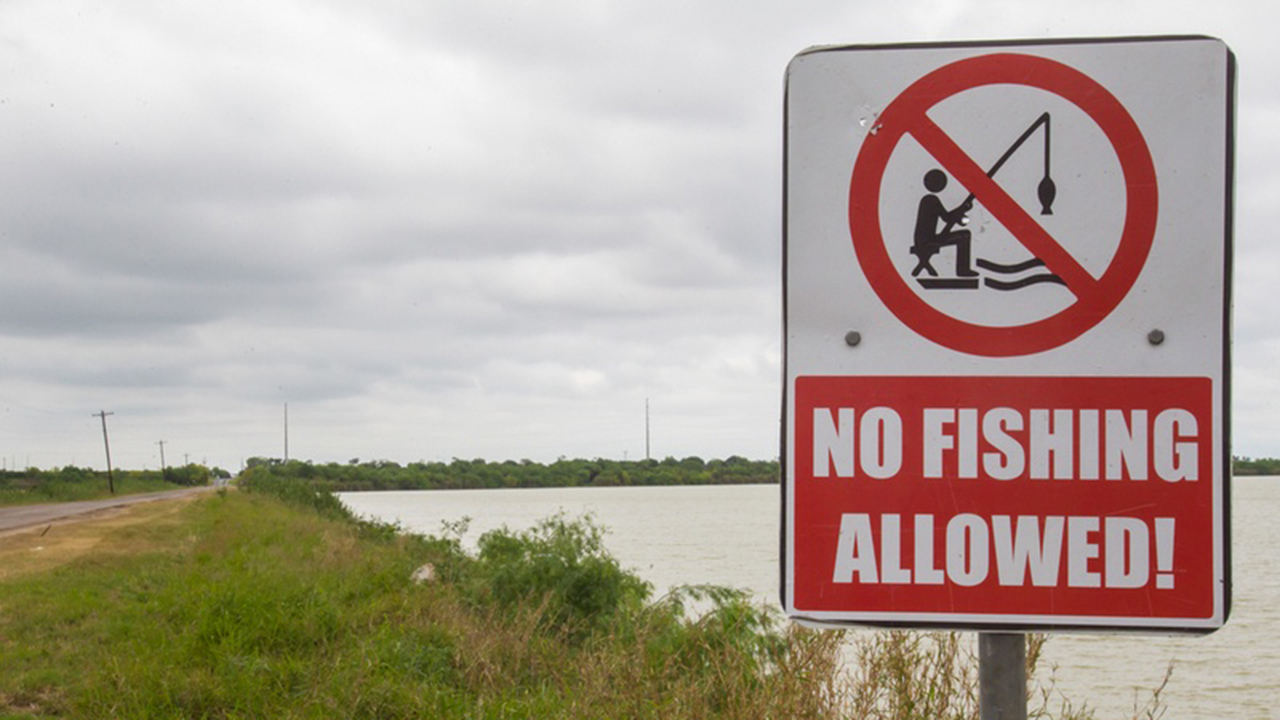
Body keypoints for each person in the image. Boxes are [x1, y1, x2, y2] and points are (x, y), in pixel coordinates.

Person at [913, 169, 977, 277]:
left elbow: (948, 217)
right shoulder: (931, 200)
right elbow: (947, 218)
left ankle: (962, 270)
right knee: (964, 236)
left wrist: (961, 210)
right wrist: (961, 209)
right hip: (927, 241)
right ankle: (962, 270)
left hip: (925, 238)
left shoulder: (928, 199)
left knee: (964, 234)